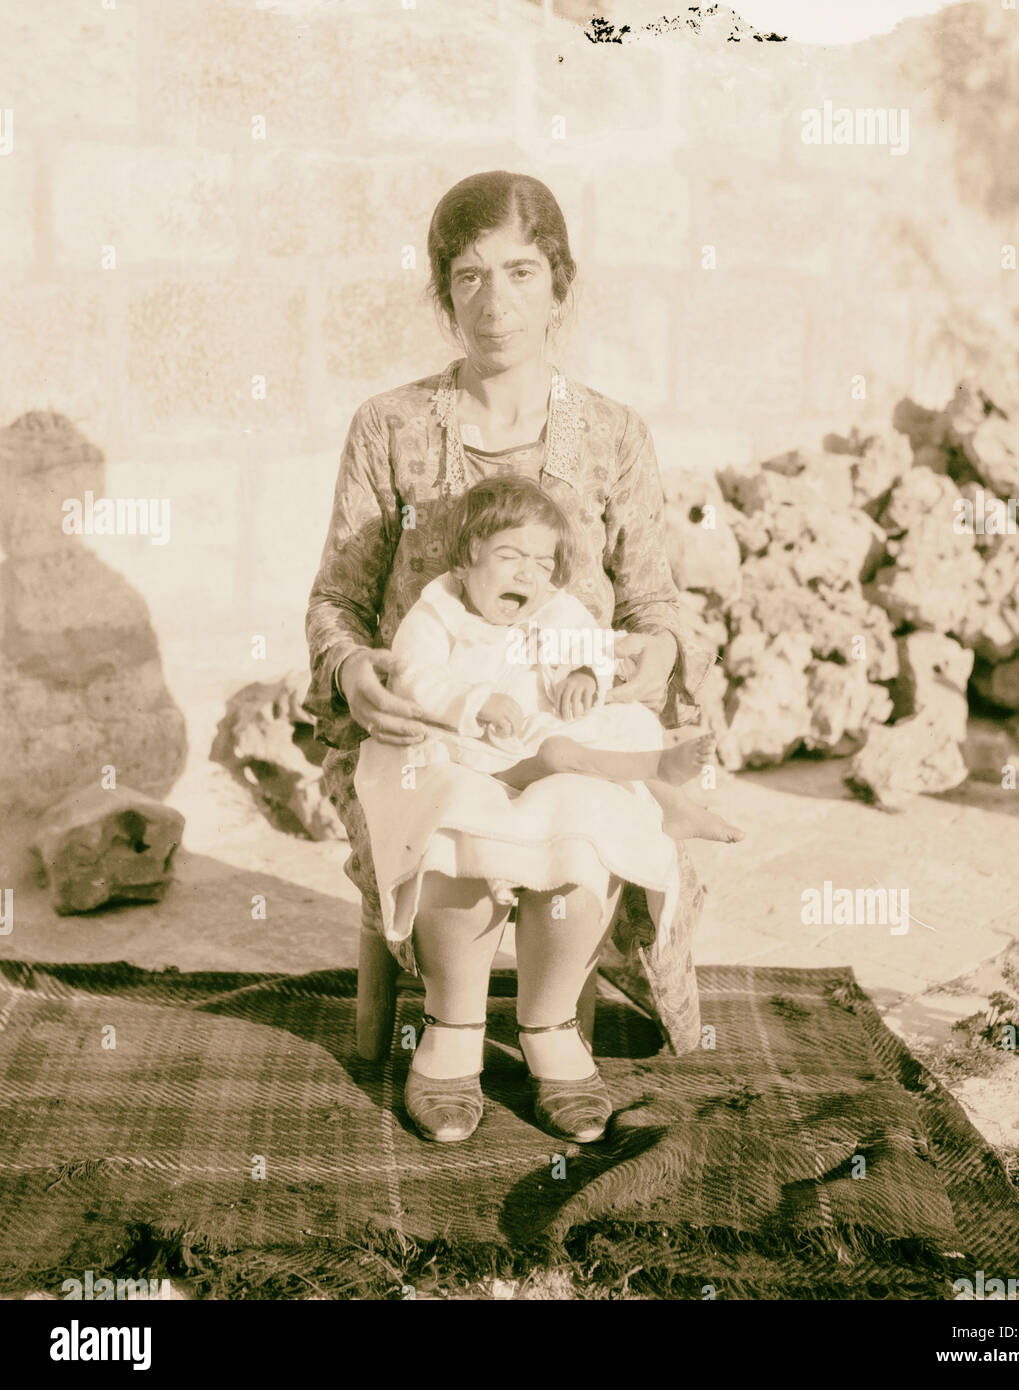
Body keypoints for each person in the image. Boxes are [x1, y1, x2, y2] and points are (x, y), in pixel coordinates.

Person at [304, 170, 721, 1146]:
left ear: (560, 286)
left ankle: (547, 1032)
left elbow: (656, 598)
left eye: (521, 272)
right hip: (435, 717)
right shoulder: (391, 427)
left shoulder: (613, 432)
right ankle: (448, 1032)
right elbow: (337, 601)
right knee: (454, 812)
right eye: (468, 275)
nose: (494, 304)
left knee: (582, 815)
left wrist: (652, 653)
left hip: (567, 720)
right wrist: (354, 673)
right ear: (441, 292)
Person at [385, 474, 743, 846]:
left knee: (628, 718)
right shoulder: (438, 615)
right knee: (556, 752)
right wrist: (476, 703)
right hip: (485, 754)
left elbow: (593, 645)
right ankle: (652, 772)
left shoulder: (552, 609)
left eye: (542, 564)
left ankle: (671, 804)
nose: (527, 574)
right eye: (509, 557)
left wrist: (587, 673)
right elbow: (412, 680)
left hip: (547, 726)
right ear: (464, 561)